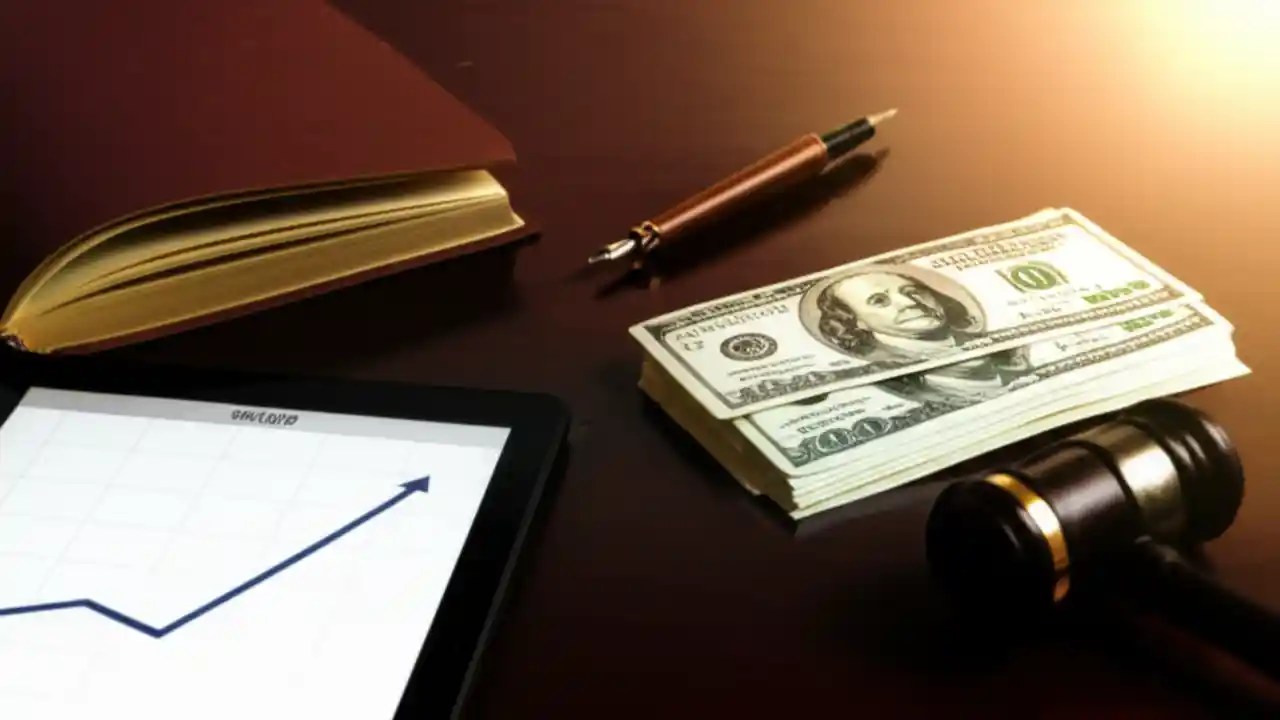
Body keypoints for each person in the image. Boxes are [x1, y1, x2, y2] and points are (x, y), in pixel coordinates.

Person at [814, 269, 982, 363]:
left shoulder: (979, 340)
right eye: (879, 300)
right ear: (856, 321)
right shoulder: (880, 364)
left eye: (913, 292)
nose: (909, 302)